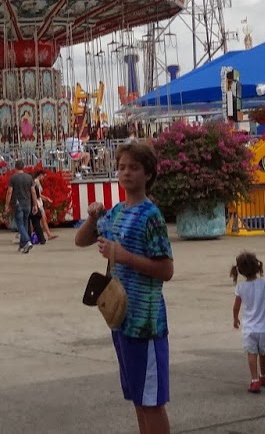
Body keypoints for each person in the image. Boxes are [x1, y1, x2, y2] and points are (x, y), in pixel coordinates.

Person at [75, 141, 174, 434]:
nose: (126, 172)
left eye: (134, 167)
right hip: (121, 321)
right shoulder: (116, 212)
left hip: (147, 323)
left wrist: (122, 255)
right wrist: (93, 216)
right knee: (138, 399)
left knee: (152, 402)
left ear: (148, 174)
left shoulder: (150, 215)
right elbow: (81, 240)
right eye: (121, 167)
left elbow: (166, 270)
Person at [230, 250, 265, 393]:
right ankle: (263, 375)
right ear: (258, 267)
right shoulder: (264, 284)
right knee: (263, 353)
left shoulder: (240, 287)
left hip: (249, 329)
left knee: (252, 354)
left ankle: (254, 380)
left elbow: (236, 306)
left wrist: (235, 318)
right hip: (264, 328)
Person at [7, 166, 34, 254]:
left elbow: (9, 192)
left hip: (18, 203)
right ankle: (23, 245)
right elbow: (33, 191)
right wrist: (36, 204)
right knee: (25, 223)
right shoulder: (29, 177)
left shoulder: (13, 178)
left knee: (20, 224)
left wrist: (7, 204)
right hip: (28, 203)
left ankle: (26, 241)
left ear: (15, 167)